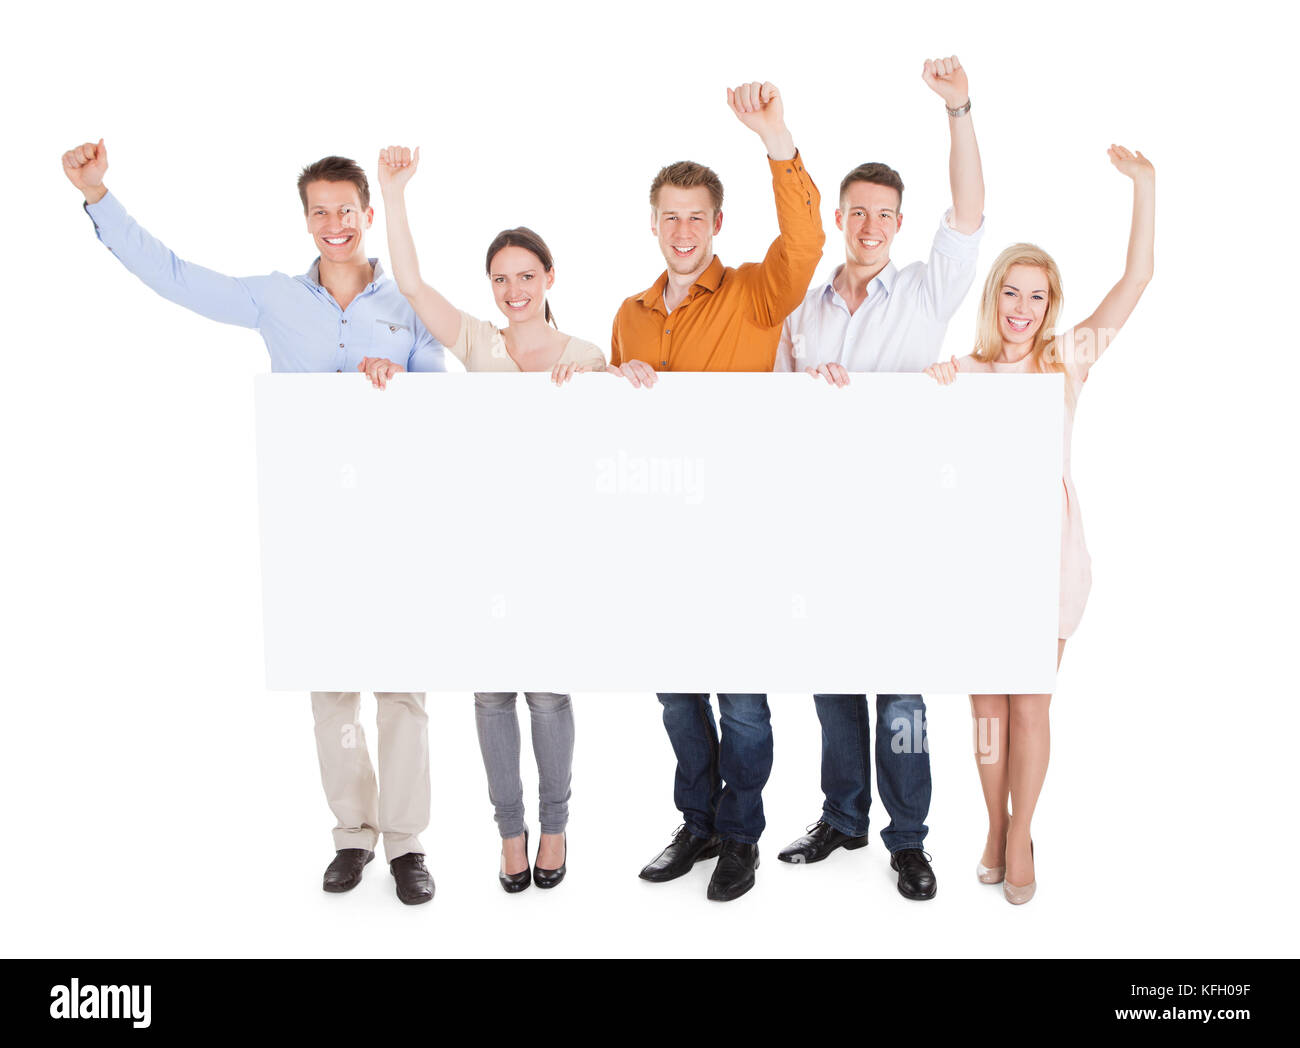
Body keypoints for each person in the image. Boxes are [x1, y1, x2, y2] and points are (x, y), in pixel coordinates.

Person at [60, 140, 443, 905]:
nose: (334, 224)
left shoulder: (409, 302)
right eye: (320, 212)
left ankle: (407, 844)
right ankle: (352, 834)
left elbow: (441, 402)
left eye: (346, 210)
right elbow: (175, 276)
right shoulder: (275, 299)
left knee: (402, 690)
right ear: (307, 221)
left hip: (394, 521)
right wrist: (100, 196)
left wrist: (399, 379)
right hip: (313, 523)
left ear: (369, 214)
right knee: (331, 689)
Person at [362, 145, 608, 892]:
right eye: (500, 279)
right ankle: (510, 832)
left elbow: (613, 447)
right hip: (487, 546)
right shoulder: (479, 342)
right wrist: (393, 194)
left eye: (525, 276)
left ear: (550, 278)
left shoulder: (585, 353)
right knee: (494, 693)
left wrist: (600, 380)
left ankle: (555, 825)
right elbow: (411, 285)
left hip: (556, 548)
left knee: (549, 693)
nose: (513, 290)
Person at [772, 56, 986, 901]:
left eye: (884, 214)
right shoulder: (801, 311)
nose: (869, 225)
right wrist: (807, 392)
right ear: (839, 216)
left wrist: (958, 110)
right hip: (819, 524)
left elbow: (968, 214)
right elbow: (773, 411)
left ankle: (909, 839)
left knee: (901, 697)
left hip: (901, 527)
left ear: (899, 223)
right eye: (857, 211)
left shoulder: (926, 296)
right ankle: (844, 817)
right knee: (833, 686)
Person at [924, 144, 1155, 904]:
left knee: (1029, 705)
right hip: (977, 566)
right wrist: (935, 388)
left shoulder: (1064, 362)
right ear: (993, 298)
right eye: (1010, 293)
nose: (1021, 309)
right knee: (986, 710)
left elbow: (1135, 281)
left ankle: (1022, 833)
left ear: (1051, 307)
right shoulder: (961, 373)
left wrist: (1144, 186)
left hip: (1047, 560)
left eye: (1037, 297)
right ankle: (994, 825)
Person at [611, 81, 825, 901]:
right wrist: (616, 382)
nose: (683, 231)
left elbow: (804, 243)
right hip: (658, 539)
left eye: (696, 217)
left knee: (741, 702)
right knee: (677, 697)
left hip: (738, 536)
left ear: (718, 224)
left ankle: (741, 836)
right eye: (670, 216)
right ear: (653, 223)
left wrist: (776, 138)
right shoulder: (629, 315)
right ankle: (696, 823)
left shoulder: (754, 295)